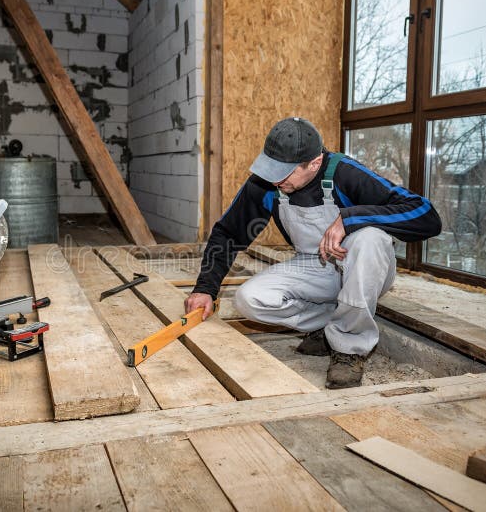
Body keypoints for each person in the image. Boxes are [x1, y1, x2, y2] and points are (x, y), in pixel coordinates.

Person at [185, 117, 442, 388]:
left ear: (315, 163)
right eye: (270, 169)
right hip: (314, 264)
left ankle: (349, 348)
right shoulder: (268, 185)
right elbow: (228, 233)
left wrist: (351, 218)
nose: (275, 179)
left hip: (362, 266)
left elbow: (426, 215)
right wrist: (205, 288)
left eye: (284, 172)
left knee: (370, 237)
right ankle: (331, 323)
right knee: (249, 299)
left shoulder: (344, 173)